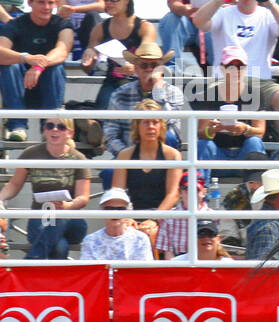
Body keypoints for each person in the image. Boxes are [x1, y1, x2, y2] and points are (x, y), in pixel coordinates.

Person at [192, 0, 279, 133]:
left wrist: (269, 1)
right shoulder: (224, 12)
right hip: (223, 79)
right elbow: (199, 22)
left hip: (260, 80)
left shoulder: (267, 15)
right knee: (204, 98)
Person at [0, 114, 89, 259]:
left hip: (71, 220)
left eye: (61, 127)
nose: (55, 130)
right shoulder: (31, 153)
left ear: (70, 133)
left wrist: (67, 206)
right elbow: (14, 184)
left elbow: (83, 197)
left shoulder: (79, 158)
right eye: (50, 126)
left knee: (59, 216)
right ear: (45, 130)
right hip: (40, 216)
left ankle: (31, 261)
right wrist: (1, 199)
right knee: (60, 246)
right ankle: (54, 280)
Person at [0, 0, 74, 142]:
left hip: (48, 88)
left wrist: (38, 66)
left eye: (50, 3)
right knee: (9, 66)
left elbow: (62, 51)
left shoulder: (62, 24)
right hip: (19, 90)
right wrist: (26, 57)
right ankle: (17, 125)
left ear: (55, 3)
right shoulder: (16, 24)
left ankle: (49, 127)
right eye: (41, 2)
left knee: (56, 68)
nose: (46, 7)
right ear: (30, 3)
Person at [111, 100, 182, 252]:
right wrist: (128, 217)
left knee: (150, 233)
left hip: (164, 214)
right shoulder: (125, 156)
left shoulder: (172, 155)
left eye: (155, 122)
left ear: (161, 126)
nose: (150, 127)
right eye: (145, 122)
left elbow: (173, 195)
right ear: (137, 126)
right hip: (133, 213)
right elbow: (117, 194)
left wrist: (154, 219)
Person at [80, 0, 155, 111]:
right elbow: (87, 69)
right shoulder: (100, 28)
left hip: (140, 82)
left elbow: (148, 58)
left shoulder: (144, 27)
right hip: (112, 82)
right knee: (101, 115)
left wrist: (135, 66)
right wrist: (89, 57)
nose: (109, 2)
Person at [103, 41, 183, 159]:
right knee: (108, 173)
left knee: (168, 136)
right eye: (144, 65)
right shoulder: (119, 94)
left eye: (154, 65)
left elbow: (167, 125)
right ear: (136, 68)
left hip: (163, 156)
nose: (149, 69)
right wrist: (127, 154)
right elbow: (110, 135)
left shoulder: (173, 93)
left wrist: (158, 90)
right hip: (128, 155)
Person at [196, 45, 268, 163]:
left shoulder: (256, 94)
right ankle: (201, 181)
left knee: (254, 142)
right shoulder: (208, 95)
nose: (236, 71)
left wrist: (245, 129)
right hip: (217, 155)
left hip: (244, 155)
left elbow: (260, 131)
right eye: (231, 66)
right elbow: (201, 133)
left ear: (245, 68)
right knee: (204, 144)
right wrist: (213, 130)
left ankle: (255, 181)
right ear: (222, 69)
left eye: (240, 66)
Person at [80, 187, 152, 261]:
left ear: (128, 211)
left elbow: (144, 271)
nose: (115, 213)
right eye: (109, 209)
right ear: (101, 211)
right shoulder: (90, 240)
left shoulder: (140, 239)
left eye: (120, 209)